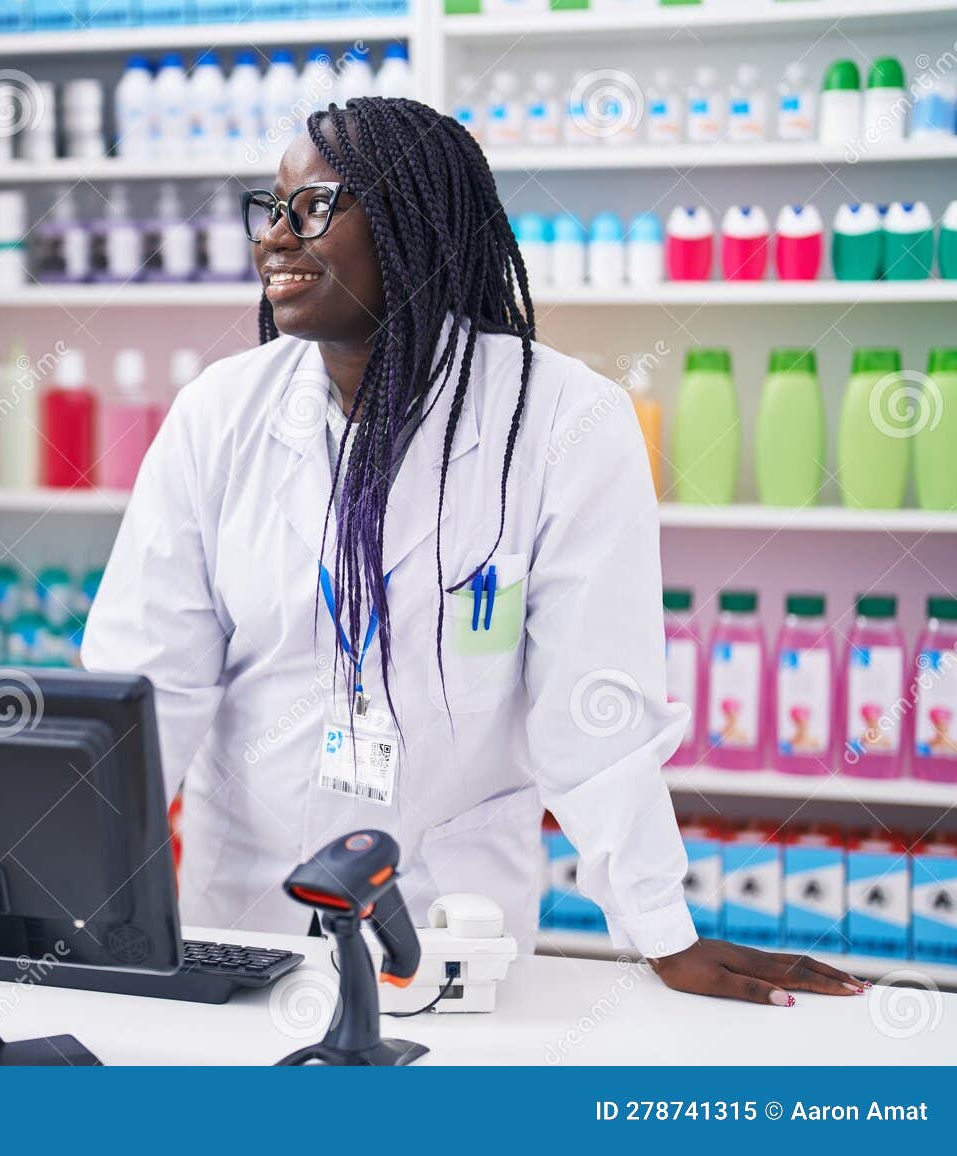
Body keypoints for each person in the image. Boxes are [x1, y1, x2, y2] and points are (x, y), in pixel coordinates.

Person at [82, 98, 864, 1006]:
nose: (275, 240)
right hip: (243, 911)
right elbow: (144, 692)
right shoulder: (219, 415)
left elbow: (593, 711)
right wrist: (77, 905)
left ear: (419, 223)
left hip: (455, 919)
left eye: (316, 208)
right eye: (273, 210)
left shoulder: (566, 423)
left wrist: (662, 929)